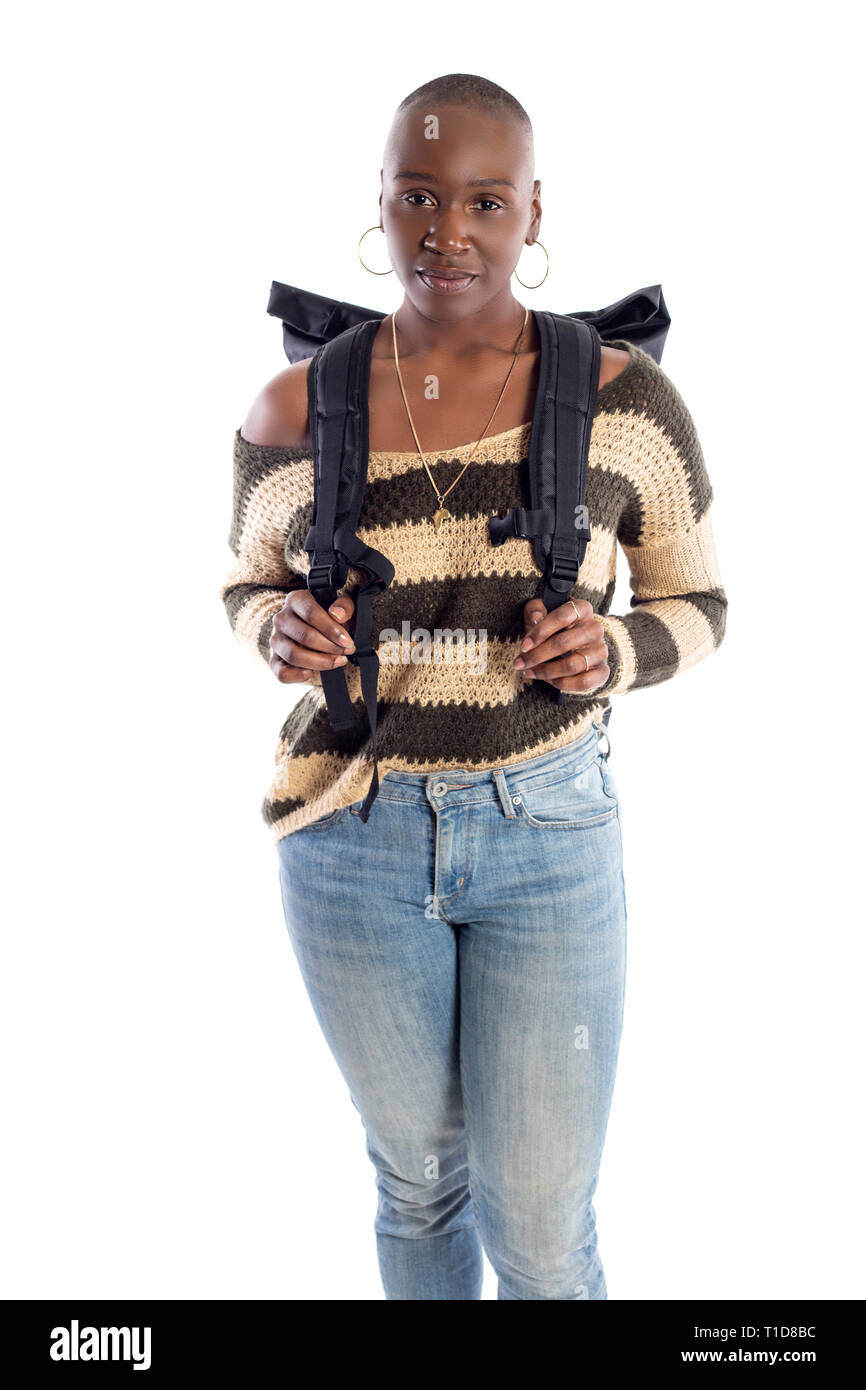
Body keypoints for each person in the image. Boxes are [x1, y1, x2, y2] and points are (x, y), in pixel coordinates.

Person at [220, 72, 727, 1300]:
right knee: (415, 1184)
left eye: (485, 201)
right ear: (382, 208)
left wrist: (613, 651)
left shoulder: (625, 403)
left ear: (532, 215)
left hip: (546, 829)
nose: (448, 229)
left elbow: (699, 604)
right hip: (348, 827)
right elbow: (243, 586)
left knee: (544, 1234)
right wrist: (274, 626)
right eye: (419, 196)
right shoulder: (296, 405)